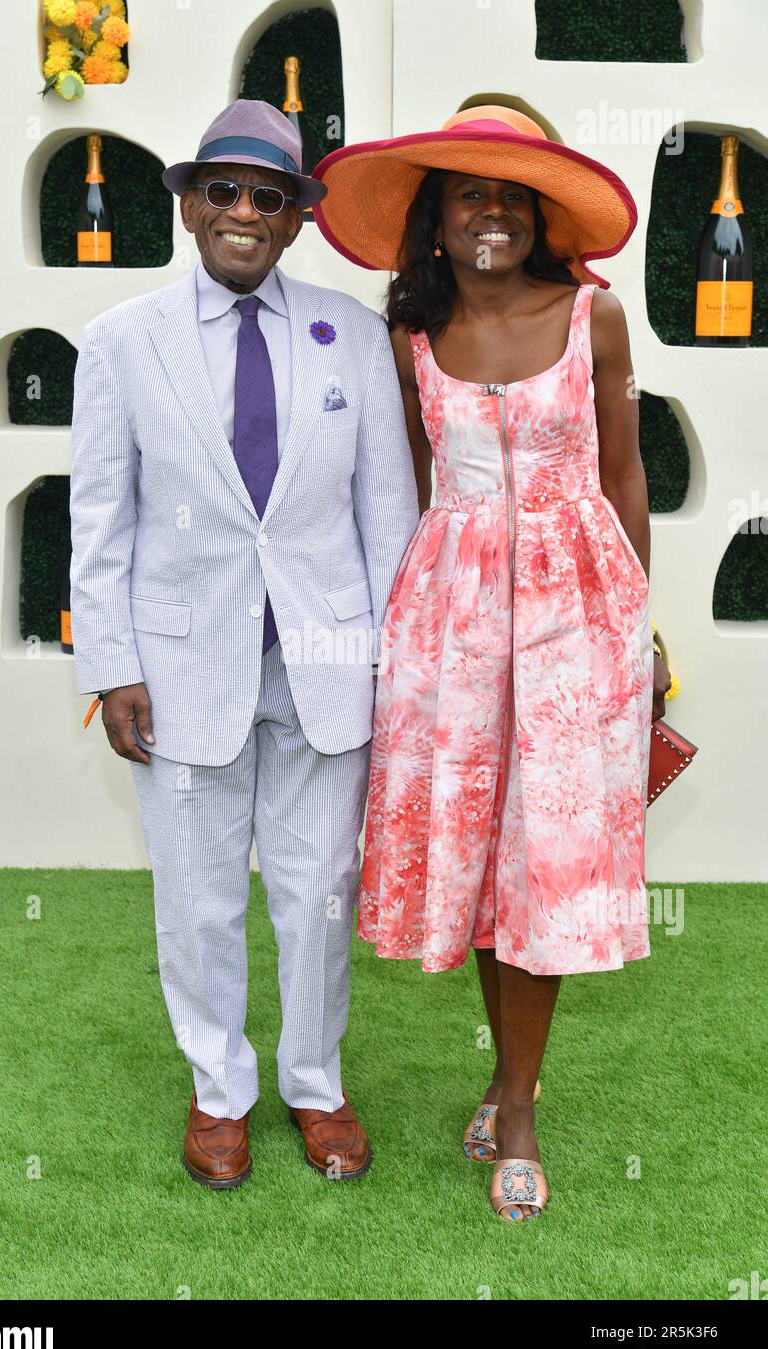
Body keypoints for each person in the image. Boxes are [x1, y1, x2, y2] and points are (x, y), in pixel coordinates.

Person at [312, 105, 672, 1220]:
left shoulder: (595, 317)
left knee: (548, 861)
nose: (492, 212)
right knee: (481, 861)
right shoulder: (405, 342)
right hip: (451, 628)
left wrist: (639, 628)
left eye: (513, 194)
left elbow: (622, 479)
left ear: (541, 216)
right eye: (469, 192)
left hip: (577, 623)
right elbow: (408, 493)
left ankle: (515, 1105)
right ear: (434, 216)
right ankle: (504, 1073)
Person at [69, 100, 419, 1188]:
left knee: (316, 892)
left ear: (295, 219)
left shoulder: (350, 335)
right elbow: (99, 517)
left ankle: (314, 1083)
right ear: (186, 205)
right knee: (198, 894)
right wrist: (111, 663)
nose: (241, 211)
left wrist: (395, 667)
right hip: (179, 669)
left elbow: (387, 520)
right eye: (220, 188)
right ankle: (218, 1090)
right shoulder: (120, 342)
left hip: (325, 667)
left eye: (267, 196)